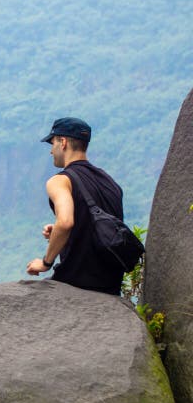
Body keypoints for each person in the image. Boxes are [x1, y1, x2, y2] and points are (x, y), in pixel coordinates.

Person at [26, 117, 125, 295]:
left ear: (62, 142)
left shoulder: (60, 181)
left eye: (52, 143)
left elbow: (65, 222)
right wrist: (57, 232)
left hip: (77, 281)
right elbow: (100, 225)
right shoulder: (109, 181)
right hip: (111, 283)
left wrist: (45, 263)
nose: (51, 151)